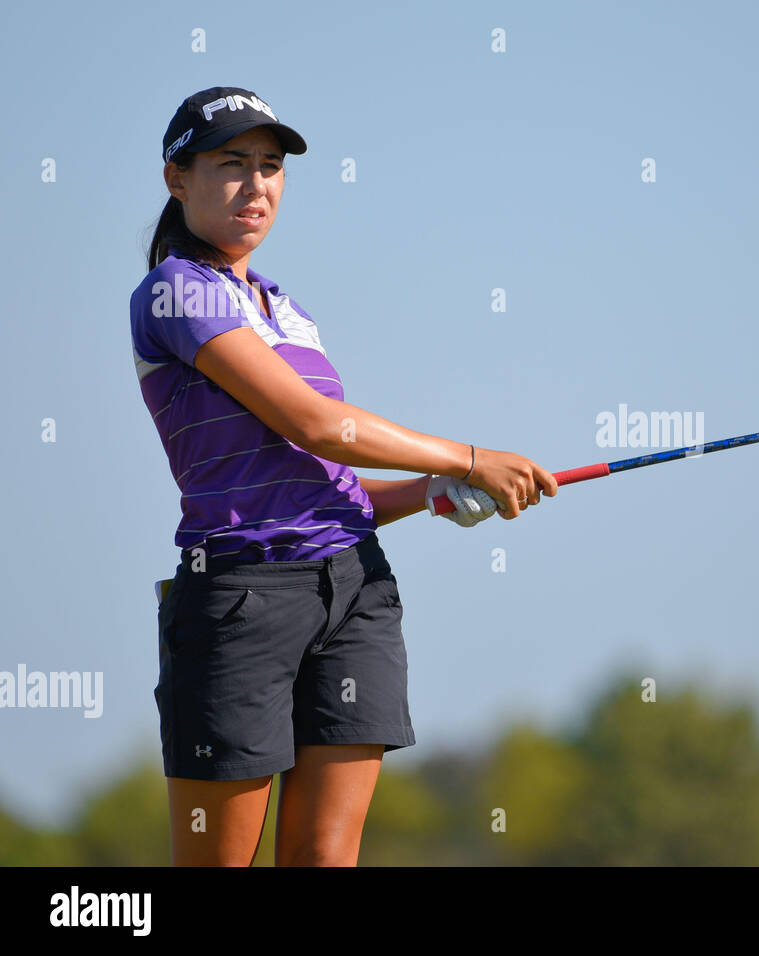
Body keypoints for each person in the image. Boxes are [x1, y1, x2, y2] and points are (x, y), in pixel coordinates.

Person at [129, 86, 557, 866]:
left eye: (270, 167)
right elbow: (319, 425)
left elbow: (325, 478)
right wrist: (465, 458)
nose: (255, 185)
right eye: (230, 164)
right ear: (176, 179)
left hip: (355, 589)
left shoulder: (287, 310)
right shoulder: (174, 291)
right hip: (241, 598)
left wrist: (428, 495)